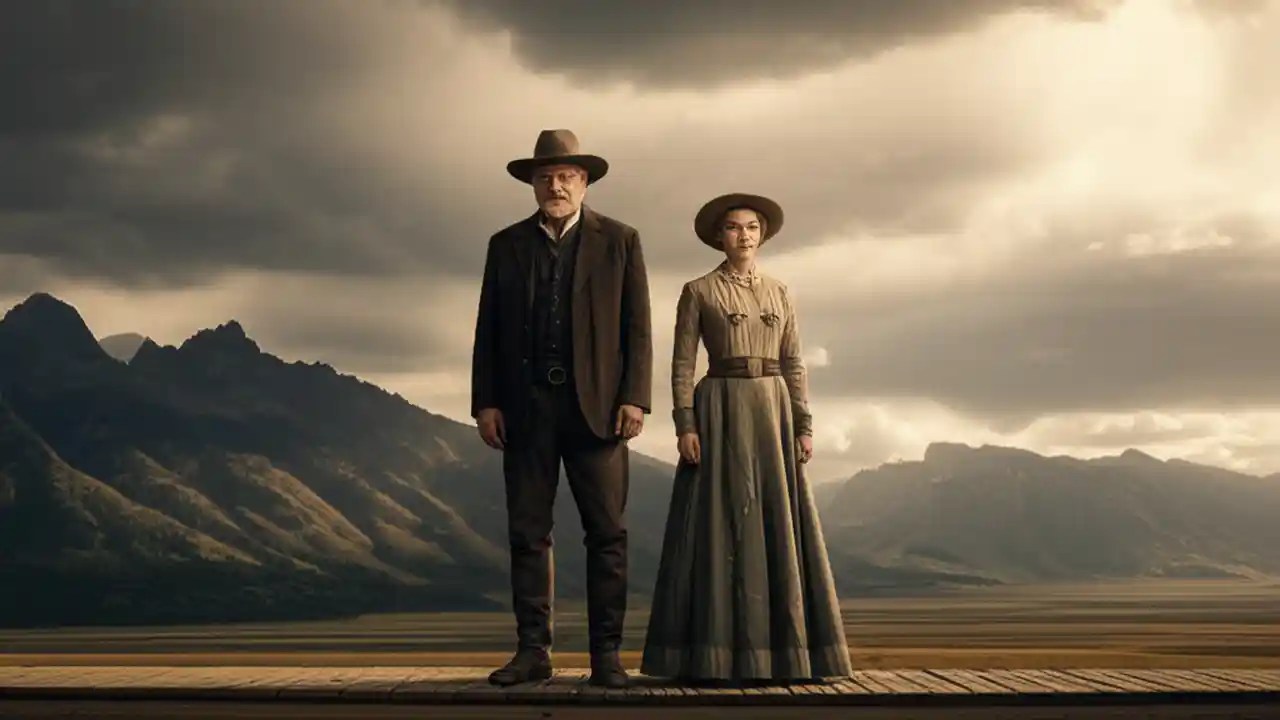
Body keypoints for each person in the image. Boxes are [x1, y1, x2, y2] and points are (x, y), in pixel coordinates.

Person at [640, 193, 852, 683]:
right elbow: (681, 365)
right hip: (719, 406)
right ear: (720, 236)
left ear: (762, 235)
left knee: (778, 521)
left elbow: (796, 362)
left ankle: (789, 655)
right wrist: (686, 424)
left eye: (752, 227)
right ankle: (709, 656)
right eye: (734, 228)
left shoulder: (781, 292)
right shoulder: (698, 291)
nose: (743, 235)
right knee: (717, 524)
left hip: (773, 407)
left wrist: (803, 424)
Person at [471, 129, 652, 689]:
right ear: (532, 183)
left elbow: (637, 327)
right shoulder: (505, 244)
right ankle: (533, 653)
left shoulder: (620, 240)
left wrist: (635, 397)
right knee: (527, 533)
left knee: (608, 534)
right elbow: (487, 329)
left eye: (567, 175)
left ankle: (607, 657)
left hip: (598, 409)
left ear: (585, 182)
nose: (556, 184)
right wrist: (486, 402)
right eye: (546, 176)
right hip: (525, 409)